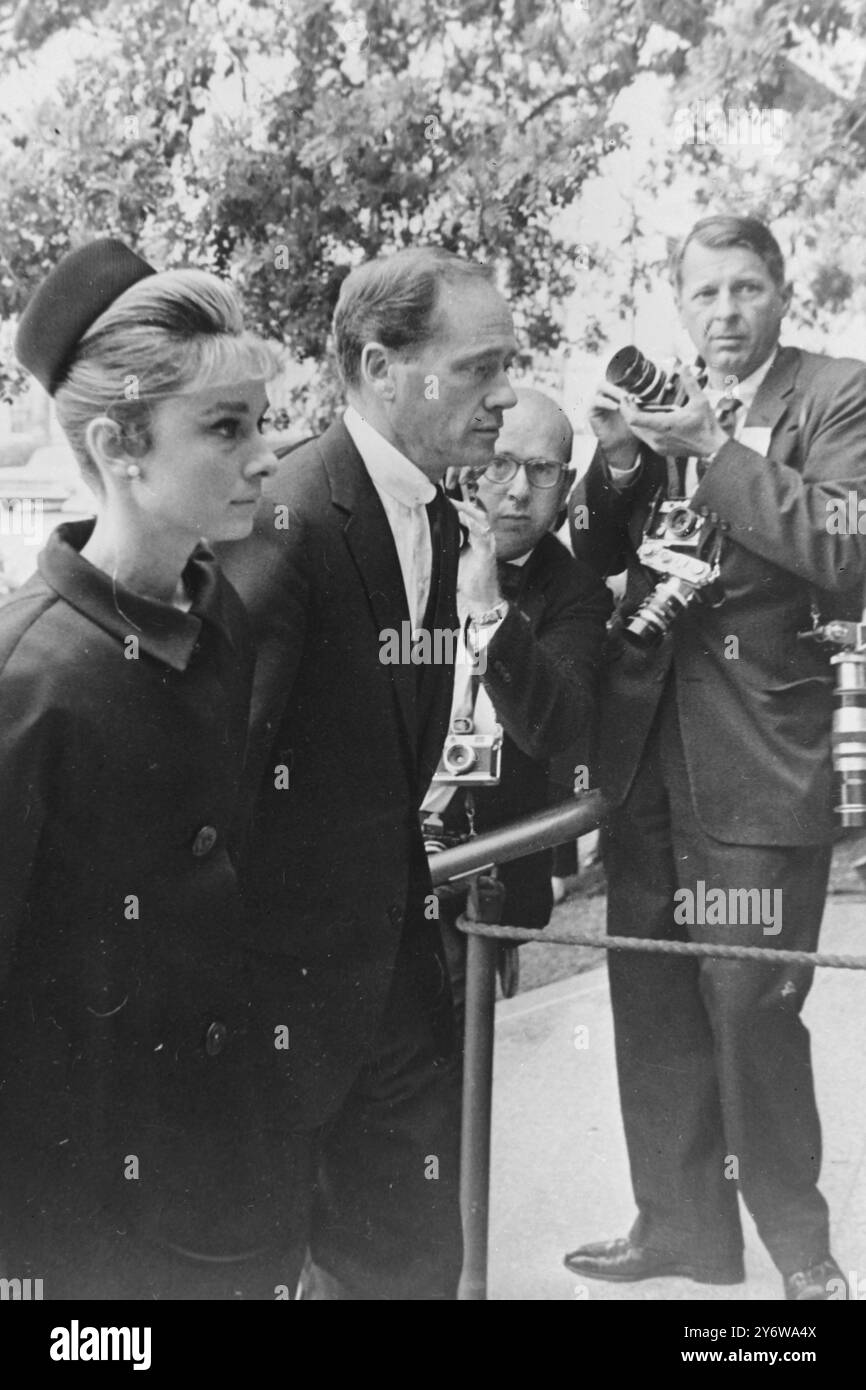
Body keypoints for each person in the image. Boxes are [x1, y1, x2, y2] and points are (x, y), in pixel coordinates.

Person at [564, 214, 866, 1301]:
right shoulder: (668, 400)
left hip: (759, 749)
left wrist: (713, 450)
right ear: (679, 303)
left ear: (782, 292)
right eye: (704, 293)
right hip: (647, 745)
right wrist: (620, 456)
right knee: (651, 993)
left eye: (745, 288)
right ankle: (680, 1227)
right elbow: (596, 553)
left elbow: (847, 546)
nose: (725, 312)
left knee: (750, 1005)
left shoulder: (836, 393)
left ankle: (800, 1248)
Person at [217, 245, 518, 1300]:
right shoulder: (288, 518)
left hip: (391, 992)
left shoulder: (435, 514)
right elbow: (223, 790)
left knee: (416, 1264)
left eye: (507, 367)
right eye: (478, 368)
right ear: (384, 368)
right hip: (281, 1022)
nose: (503, 396)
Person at [0, 239, 291, 1299]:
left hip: (223, 1172)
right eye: (226, 427)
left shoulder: (220, 611)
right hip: (78, 1208)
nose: (266, 456)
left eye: (261, 421)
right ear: (120, 445)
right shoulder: (29, 676)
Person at [422, 386, 610, 1021]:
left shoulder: (575, 592)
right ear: (466, 464)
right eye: (500, 463)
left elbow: (552, 726)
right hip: (376, 869)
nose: (519, 491)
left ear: (567, 485)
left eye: (542, 470)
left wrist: (487, 608)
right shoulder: (407, 548)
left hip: (475, 883)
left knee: (452, 1063)